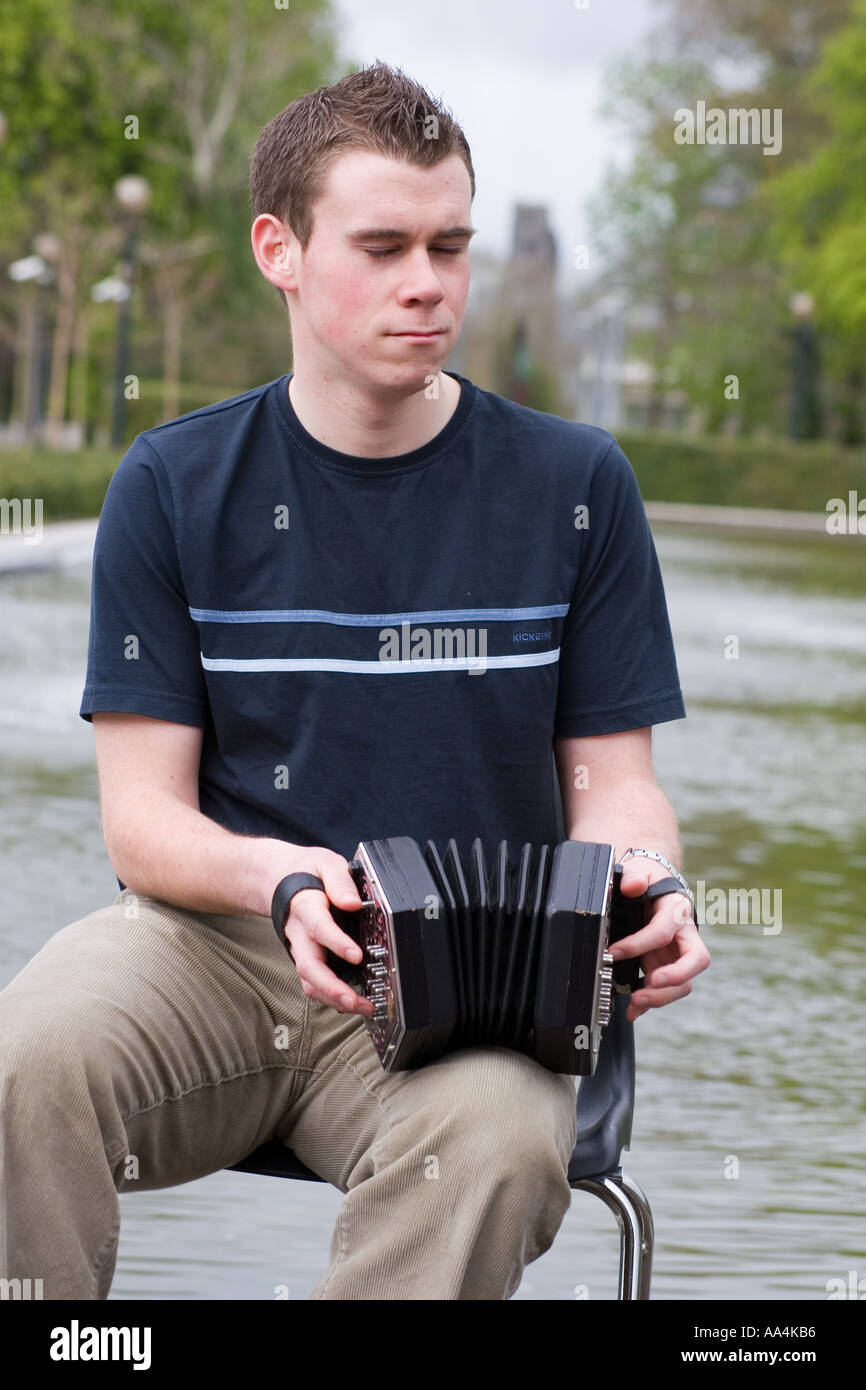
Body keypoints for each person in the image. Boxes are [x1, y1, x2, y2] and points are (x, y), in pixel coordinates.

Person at [0, 60, 710, 1301]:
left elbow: (617, 790)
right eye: (382, 245)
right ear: (279, 249)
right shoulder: (172, 485)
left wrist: (649, 879)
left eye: (450, 244)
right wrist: (275, 879)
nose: (426, 282)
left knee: (490, 1146)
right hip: (213, 949)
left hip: (465, 1005)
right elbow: (143, 819)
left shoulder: (575, 487)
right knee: (25, 1057)